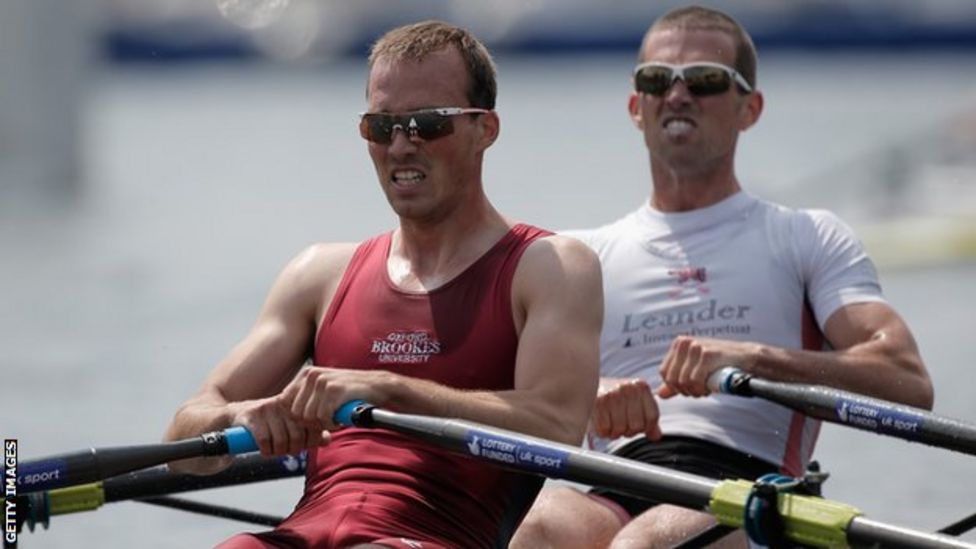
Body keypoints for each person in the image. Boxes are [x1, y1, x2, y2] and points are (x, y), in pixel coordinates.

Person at [163, 20, 603, 549]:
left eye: (426, 124)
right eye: (381, 126)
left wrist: (391, 390)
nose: (400, 146)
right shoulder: (318, 274)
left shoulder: (548, 267)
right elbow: (183, 441)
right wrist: (238, 416)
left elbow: (557, 426)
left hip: (435, 536)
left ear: (485, 129)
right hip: (305, 531)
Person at [511, 6, 933, 548]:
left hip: (752, 489)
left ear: (749, 109)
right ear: (636, 107)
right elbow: (505, 386)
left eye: (705, 80)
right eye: (657, 80)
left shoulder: (806, 236)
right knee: (534, 528)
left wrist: (752, 359)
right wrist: (584, 392)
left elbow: (906, 379)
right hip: (614, 482)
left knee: (646, 544)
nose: (677, 95)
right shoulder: (581, 256)